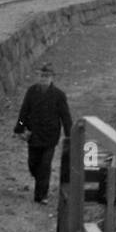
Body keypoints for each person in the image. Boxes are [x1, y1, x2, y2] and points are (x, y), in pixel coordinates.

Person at [13, 63, 73, 203]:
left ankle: (41, 195)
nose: (44, 79)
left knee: (45, 165)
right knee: (33, 164)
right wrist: (19, 128)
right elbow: (24, 112)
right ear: (37, 76)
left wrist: (69, 133)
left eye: (47, 76)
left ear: (52, 78)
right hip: (33, 135)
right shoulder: (31, 92)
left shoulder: (58, 95)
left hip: (50, 136)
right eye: (41, 76)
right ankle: (40, 182)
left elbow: (65, 116)